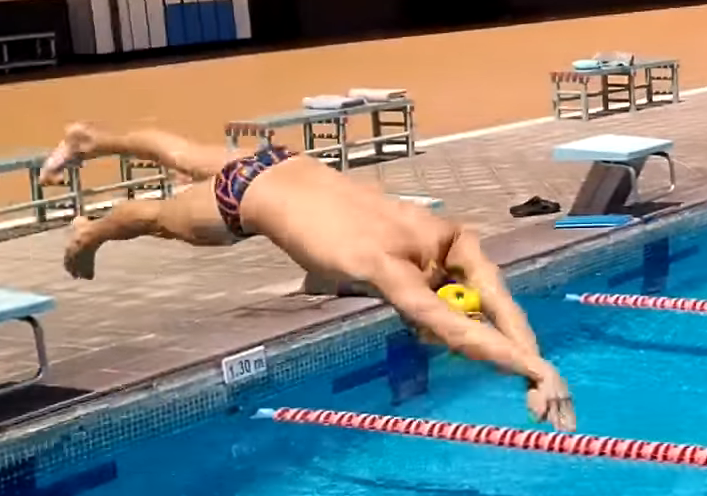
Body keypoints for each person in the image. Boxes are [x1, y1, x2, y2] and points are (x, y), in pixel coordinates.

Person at [37, 122, 576, 431]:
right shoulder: (385, 269)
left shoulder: (449, 235)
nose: (428, 332)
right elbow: (459, 327)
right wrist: (534, 372)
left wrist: (536, 368)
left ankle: (91, 139)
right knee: (158, 220)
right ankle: (93, 233)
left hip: (281, 161)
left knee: (177, 152)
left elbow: (502, 303)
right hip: (242, 199)